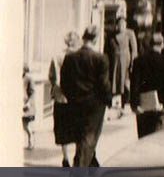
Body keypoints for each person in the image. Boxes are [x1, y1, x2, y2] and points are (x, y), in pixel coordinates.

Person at [60, 25, 109, 167]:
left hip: (75, 103)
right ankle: (80, 171)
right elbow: (104, 85)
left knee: (81, 138)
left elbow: (64, 83)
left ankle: (90, 166)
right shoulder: (101, 59)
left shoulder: (70, 58)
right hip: (94, 106)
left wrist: (72, 98)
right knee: (89, 139)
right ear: (96, 39)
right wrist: (107, 101)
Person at [129, 33, 164, 138]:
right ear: (162, 45)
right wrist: (162, 101)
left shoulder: (138, 62)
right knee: (161, 140)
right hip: (162, 107)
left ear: (149, 45)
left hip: (143, 107)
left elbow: (134, 86)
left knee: (145, 140)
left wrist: (134, 105)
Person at [48, 31, 81, 166]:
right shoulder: (79, 57)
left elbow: (51, 76)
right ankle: (77, 157)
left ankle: (65, 158)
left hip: (61, 98)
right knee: (78, 129)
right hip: (76, 99)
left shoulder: (57, 56)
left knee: (63, 129)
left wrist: (56, 88)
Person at [106, 15, 137, 118]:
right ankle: (115, 105)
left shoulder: (130, 33)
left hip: (126, 61)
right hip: (114, 62)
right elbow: (107, 50)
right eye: (119, 24)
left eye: (123, 24)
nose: (121, 26)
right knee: (114, 83)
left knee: (125, 83)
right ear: (117, 25)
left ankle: (126, 104)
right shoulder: (111, 35)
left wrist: (133, 62)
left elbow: (134, 49)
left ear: (126, 24)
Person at [23, 65, 35, 150]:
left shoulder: (29, 78)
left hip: (25, 105)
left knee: (26, 126)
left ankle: (31, 141)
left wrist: (28, 103)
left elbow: (32, 92)